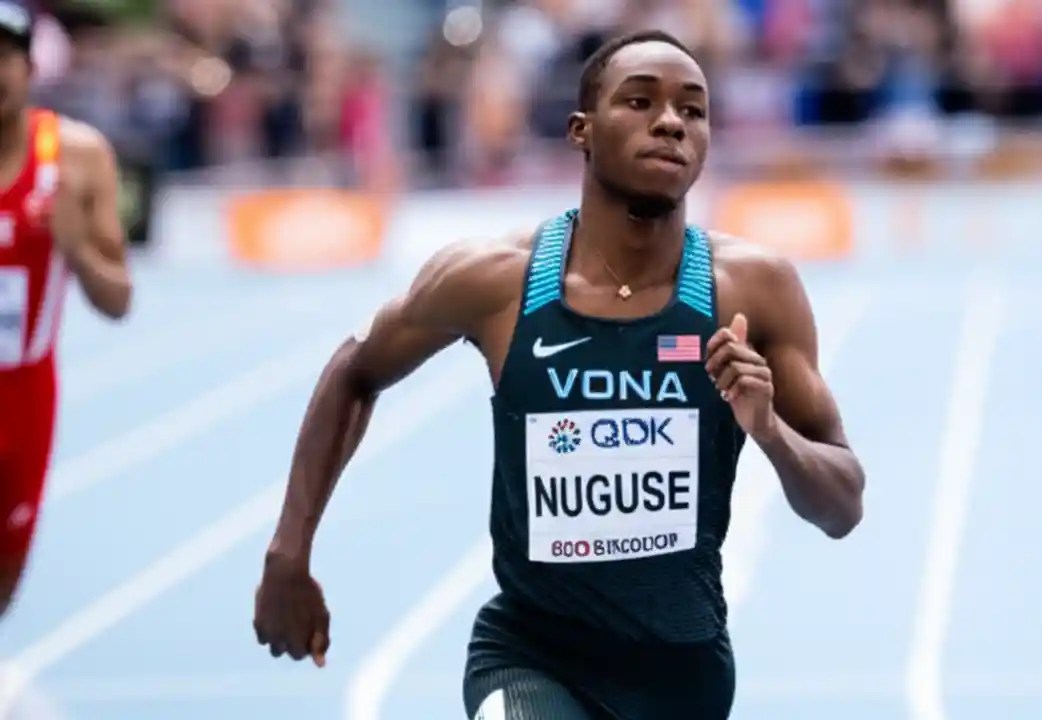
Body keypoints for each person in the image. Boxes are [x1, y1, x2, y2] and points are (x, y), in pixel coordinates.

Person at [253, 30, 865, 718]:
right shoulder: (496, 281)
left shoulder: (753, 291)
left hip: (682, 681)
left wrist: (770, 430)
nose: (670, 121)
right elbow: (354, 370)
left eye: (693, 111)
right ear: (582, 130)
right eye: (640, 101)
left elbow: (843, 507)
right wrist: (288, 552)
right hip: (530, 658)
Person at [0, 0, 133, 618]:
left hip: (24, 396)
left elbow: (118, 300)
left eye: (4, 57)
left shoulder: (76, 157)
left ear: (29, 68)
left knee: (6, 576)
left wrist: (76, 245)